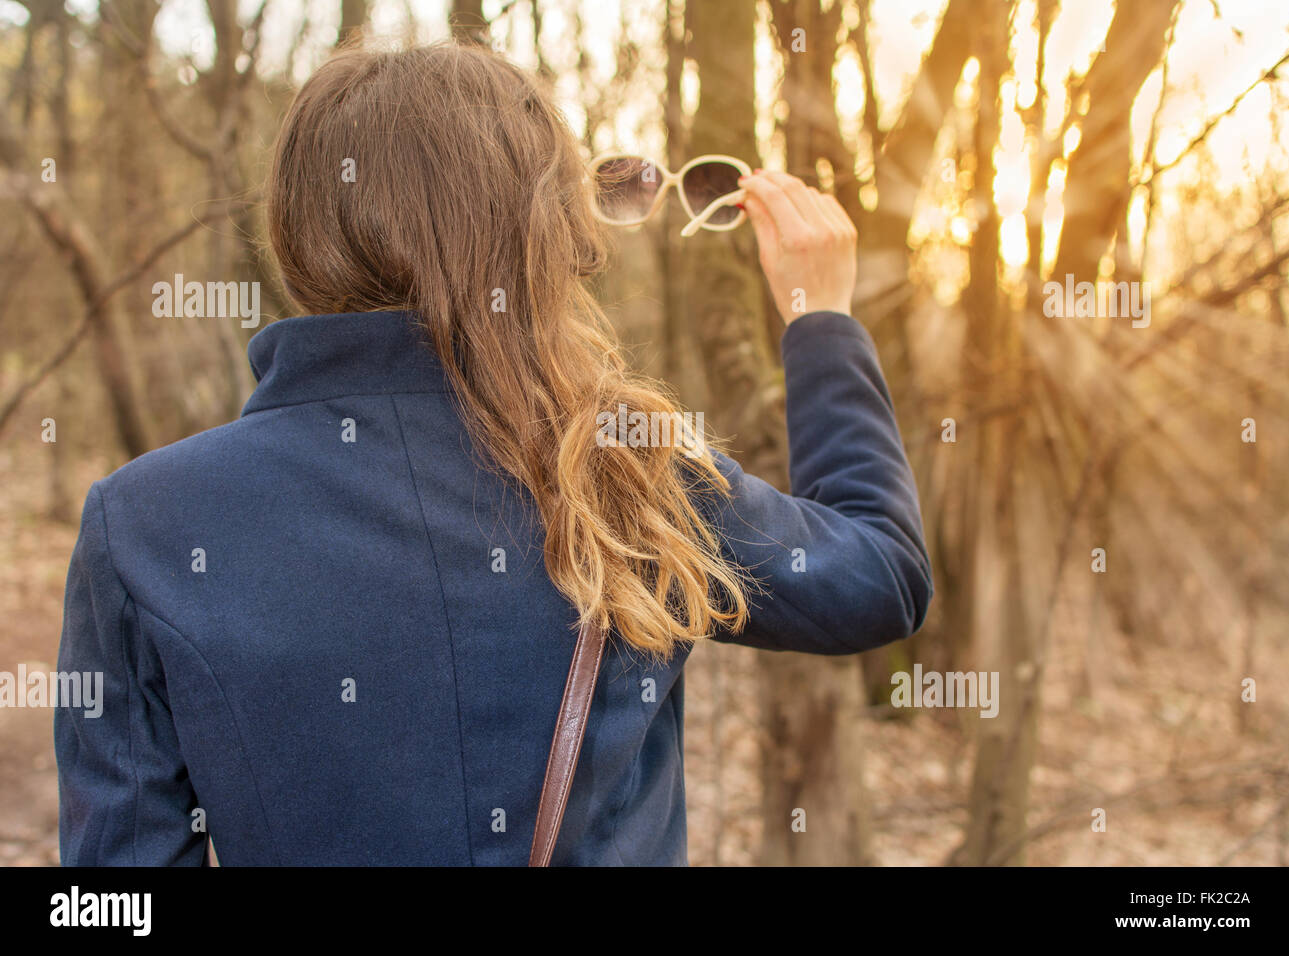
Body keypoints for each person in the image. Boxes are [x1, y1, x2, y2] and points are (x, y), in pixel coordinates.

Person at [55, 42, 931, 866]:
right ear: (538, 237)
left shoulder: (144, 525)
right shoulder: (622, 473)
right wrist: (823, 322)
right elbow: (880, 577)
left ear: (294, 229)